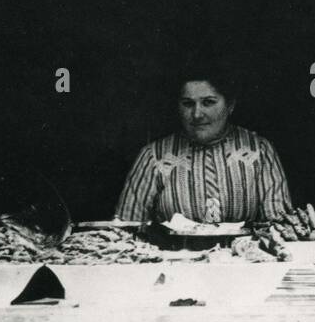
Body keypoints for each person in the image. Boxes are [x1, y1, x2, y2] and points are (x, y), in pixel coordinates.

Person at [116, 67, 293, 225]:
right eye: (188, 104)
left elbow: (279, 224)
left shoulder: (259, 150)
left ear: (230, 105)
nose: (197, 114)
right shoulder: (154, 156)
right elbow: (126, 227)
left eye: (208, 102)